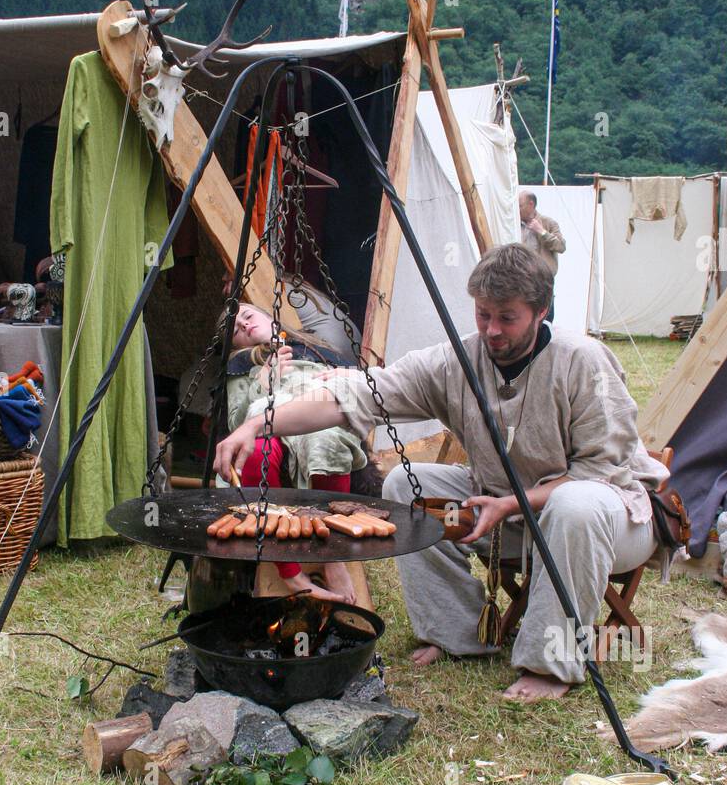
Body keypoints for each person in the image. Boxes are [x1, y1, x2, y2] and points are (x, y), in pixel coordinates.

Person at [216, 245, 664, 704]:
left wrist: (509, 503)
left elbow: (599, 473)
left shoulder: (583, 362)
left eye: (507, 318)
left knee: (575, 506)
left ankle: (551, 664)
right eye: (483, 314)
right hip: (502, 517)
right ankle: (456, 634)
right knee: (406, 489)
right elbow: (355, 396)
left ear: (540, 311)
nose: (491, 329)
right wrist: (257, 424)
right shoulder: (456, 361)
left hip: (607, 521)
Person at [227, 301, 368, 603]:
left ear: (268, 313)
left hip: (313, 408)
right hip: (267, 415)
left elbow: (358, 394)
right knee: (255, 453)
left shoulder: (314, 348)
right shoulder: (239, 367)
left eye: (248, 315)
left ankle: (333, 558)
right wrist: (262, 383)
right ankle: (289, 572)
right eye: (236, 329)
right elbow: (236, 426)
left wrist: (340, 383)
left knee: (327, 437)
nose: (244, 325)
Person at [519, 190, 565, 322]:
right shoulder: (512, 224)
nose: (517, 209)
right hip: (521, 279)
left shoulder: (548, 223)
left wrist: (541, 231)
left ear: (531, 204)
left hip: (543, 279)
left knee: (546, 317)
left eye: (520, 206)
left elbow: (561, 246)